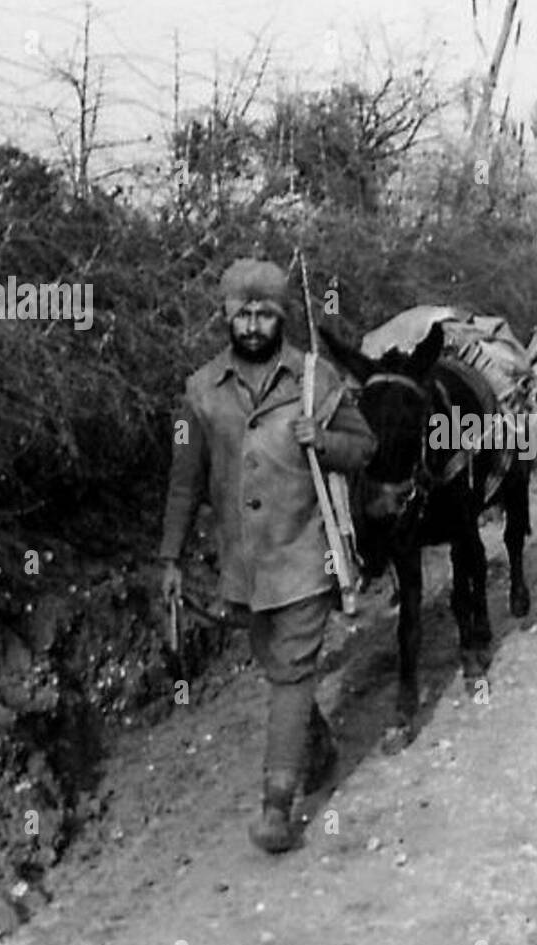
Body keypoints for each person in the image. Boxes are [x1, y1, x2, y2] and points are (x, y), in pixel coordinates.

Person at [158, 258, 376, 854]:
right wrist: (170, 558)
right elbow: (184, 480)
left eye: (264, 314)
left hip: (306, 554)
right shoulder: (201, 391)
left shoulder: (315, 379)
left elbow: (365, 447)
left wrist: (324, 440)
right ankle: (319, 745)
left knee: (294, 670)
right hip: (244, 569)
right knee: (278, 669)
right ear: (226, 316)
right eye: (242, 313)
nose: (253, 324)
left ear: (281, 317)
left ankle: (277, 805)